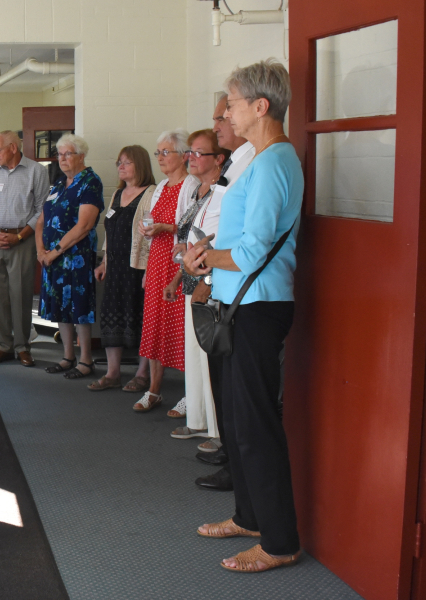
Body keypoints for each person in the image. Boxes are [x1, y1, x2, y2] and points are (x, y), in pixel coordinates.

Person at [185, 59, 303, 572]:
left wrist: (205, 259)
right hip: (235, 305)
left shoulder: (276, 161)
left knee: (255, 425)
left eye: (231, 103)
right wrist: (208, 251)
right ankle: (249, 516)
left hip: (258, 309)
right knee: (234, 421)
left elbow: (254, 252)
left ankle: (279, 542)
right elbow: (238, 235)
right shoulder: (253, 157)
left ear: (260, 106)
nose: (226, 113)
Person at [191, 95, 256, 492]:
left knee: (237, 391)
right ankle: (229, 452)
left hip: (237, 287)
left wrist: (205, 265)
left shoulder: (259, 159)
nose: (220, 122)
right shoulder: (237, 159)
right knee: (222, 382)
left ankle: (236, 465)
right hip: (218, 279)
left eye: (225, 113)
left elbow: (248, 241)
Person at [164, 130, 228, 436]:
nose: (191, 157)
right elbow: (189, 238)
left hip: (210, 280)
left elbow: (216, 240)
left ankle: (216, 431)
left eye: (199, 153)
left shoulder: (223, 190)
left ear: (219, 159)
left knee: (208, 355)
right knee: (194, 354)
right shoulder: (195, 190)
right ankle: (199, 420)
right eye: (190, 151)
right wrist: (178, 276)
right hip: (191, 277)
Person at [132, 130, 199, 411]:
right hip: (157, 262)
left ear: (183, 156)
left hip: (178, 267)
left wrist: (164, 228)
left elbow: (190, 230)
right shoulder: (161, 186)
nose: (159, 157)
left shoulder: (192, 185)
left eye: (165, 152)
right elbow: (156, 225)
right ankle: (154, 390)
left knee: (181, 329)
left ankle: (190, 394)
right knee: (155, 328)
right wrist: (148, 230)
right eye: (157, 152)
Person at [0, 131, 49, 367]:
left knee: (20, 293)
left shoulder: (36, 171)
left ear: (13, 148)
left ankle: (22, 346)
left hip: (22, 239)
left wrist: (20, 236)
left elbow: (41, 210)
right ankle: (3, 345)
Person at [88, 146, 155, 391]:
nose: (121, 166)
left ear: (140, 165)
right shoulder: (117, 193)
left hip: (139, 267)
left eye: (127, 162)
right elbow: (110, 231)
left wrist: (150, 268)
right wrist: (104, 261)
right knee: (111, 316)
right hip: (115, 268)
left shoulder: (151, 193)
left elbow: (151, 235)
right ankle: (113, 372)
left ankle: (142, 374)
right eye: (119, 162)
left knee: (140, 317)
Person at [36, 134, 103, 379]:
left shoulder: (90, 182)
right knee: (60, 309)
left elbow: (84, 226)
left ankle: (86, 360)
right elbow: (41, 221)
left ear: (81, 156)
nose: (62, 159)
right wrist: (40, 252)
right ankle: (67, 356)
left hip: (76, 259)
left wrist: (53, 253)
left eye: (68, 154)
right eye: (59, 154)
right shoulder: (57, 184)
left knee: (79, 308)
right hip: (52, 259)